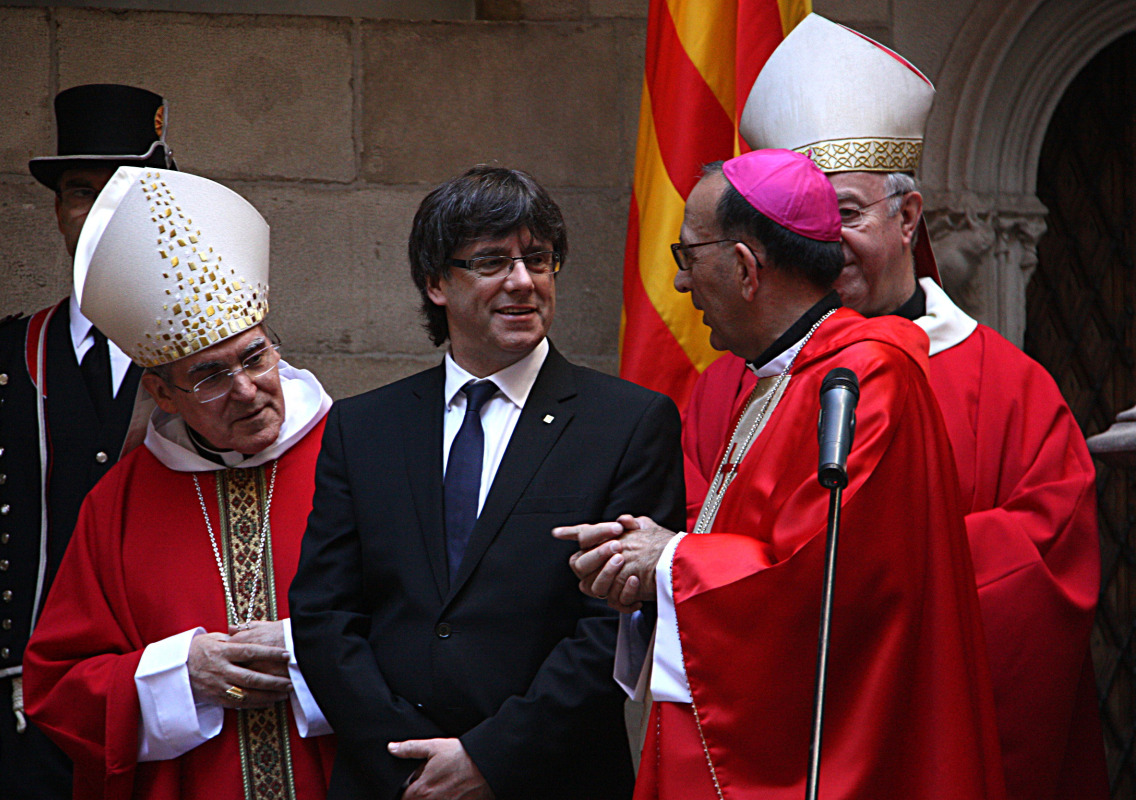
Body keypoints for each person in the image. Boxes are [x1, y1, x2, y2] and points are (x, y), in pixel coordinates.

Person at [684, 14, 1108, 799]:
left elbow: (1049, 568)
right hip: (778, 754)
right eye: (796, 222)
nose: (820, 241)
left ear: (908, 219)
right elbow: (707, 564)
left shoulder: (1011, 389)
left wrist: (869, 582)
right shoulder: (728, 390)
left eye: (844, 214)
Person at [557, 149, 1006, 798]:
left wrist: (671, 561)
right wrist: (649, 573)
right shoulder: (783, 377)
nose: (681, 285)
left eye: (688, 257)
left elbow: (828, 584)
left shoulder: (865, 378)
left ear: (743, 268)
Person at [289, 165, 685, 800]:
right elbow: (324, 615)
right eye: (493, 262)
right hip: (392, 782)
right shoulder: (362, 427)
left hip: (552, 778)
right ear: (436, 282)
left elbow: (615, 627)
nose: (523, 282)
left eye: (539, 259)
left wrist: (487, 758)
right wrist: (405, 757)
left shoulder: (628, 423)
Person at [22, 167, 336, 799]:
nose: (246, 390)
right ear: (161, 391)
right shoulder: (119, 505)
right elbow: (57, 689)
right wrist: (177, 676)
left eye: (255, 357)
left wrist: (312, 653)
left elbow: (443, 633)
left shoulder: (364, 454)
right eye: (211, 376)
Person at [0, 83, 177, 799]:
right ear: (57, 209)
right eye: (80, 191)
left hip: (165, 709)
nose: (97, 210)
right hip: (19, 718)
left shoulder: (212, 365)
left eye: (122, 191)